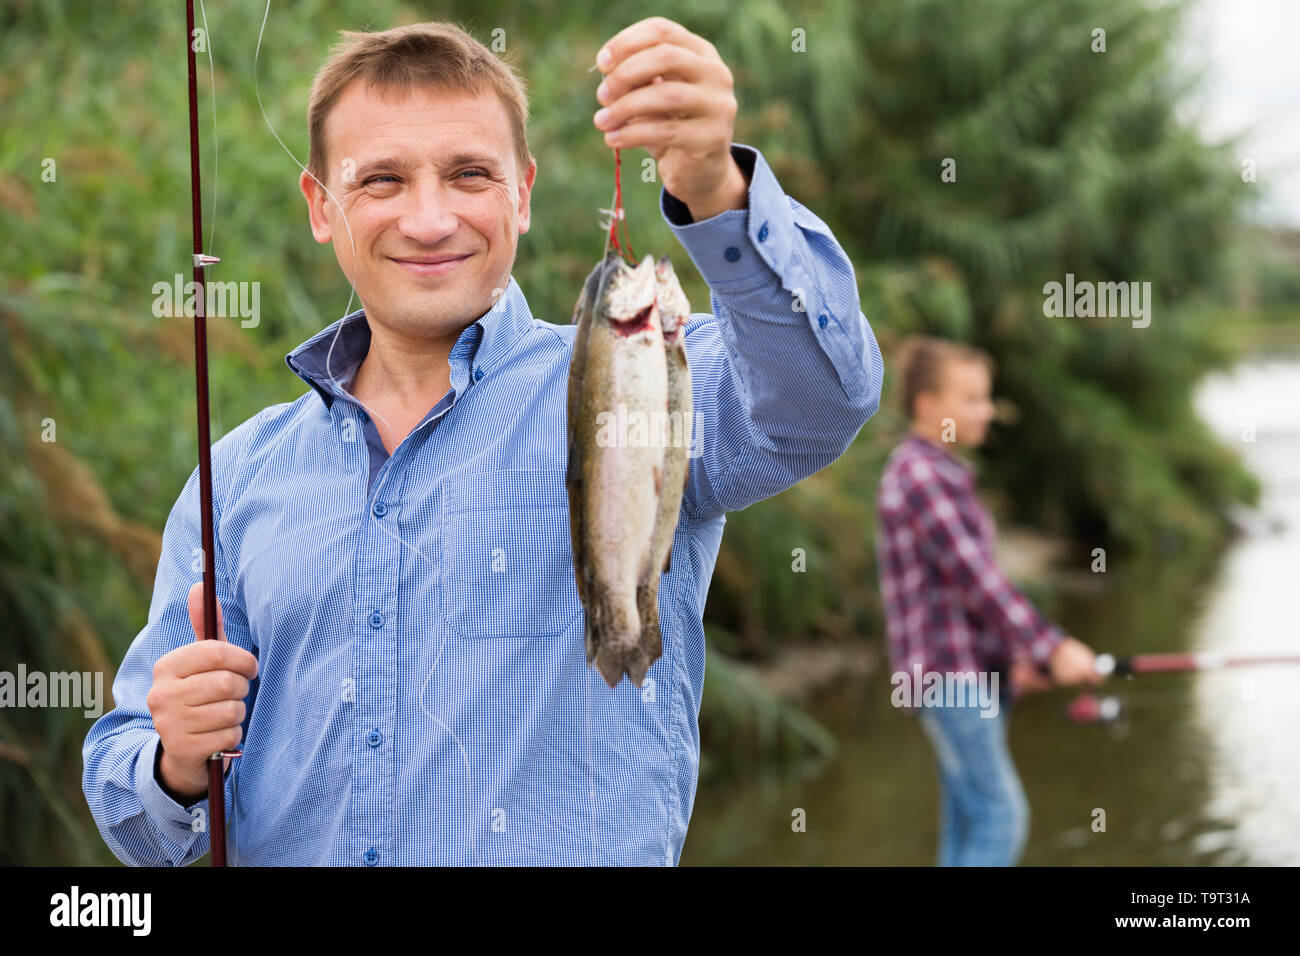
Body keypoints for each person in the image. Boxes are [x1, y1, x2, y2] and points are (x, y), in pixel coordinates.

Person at [82, 18, 884, 865]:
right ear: (321, 208)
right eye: (381, 180)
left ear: (523, 194)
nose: (428, 220)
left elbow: (816, 402)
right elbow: (131, 813)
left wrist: (715, 188)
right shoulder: (237, 478)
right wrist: (172, 764)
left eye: (469, 174)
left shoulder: (636, 376)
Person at [875, 335, 1102, 866]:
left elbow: (960, 597)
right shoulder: (920, 475)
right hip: (948, 678)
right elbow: (979, 579)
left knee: (969, 819)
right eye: (971, 398)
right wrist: (1053, 647)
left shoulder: (945, 474)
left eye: (987, 398)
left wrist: (1016, 659)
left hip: (970, 673)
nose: (986, 411)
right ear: (928, 404)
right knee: (1001, 816)